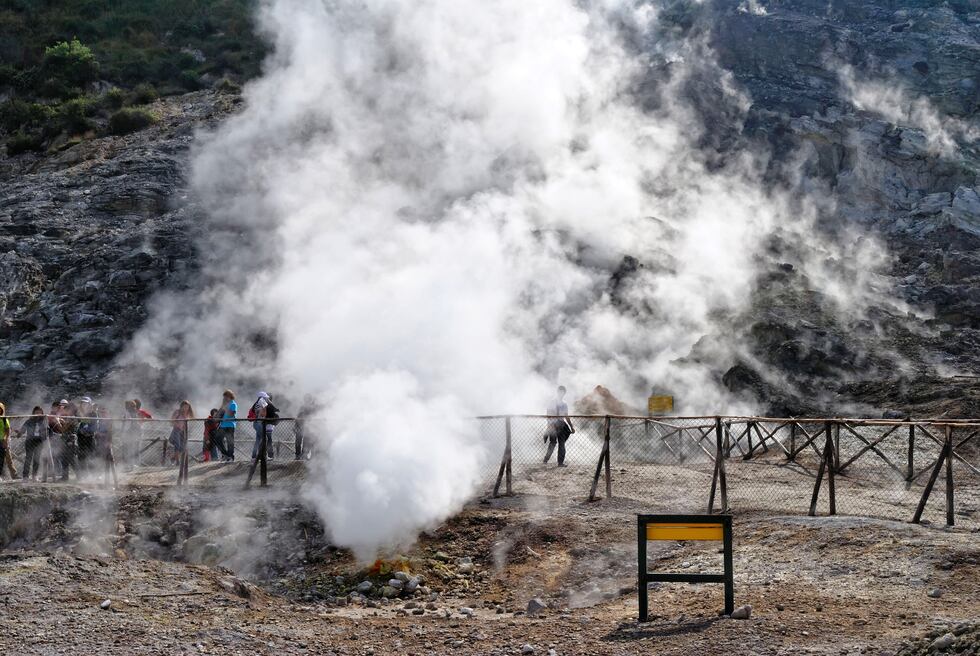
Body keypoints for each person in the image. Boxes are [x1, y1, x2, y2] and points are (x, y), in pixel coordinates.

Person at [543, 386, 575, 466]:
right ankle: (546, 459)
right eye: (560, 392)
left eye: (563, 392)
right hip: (553, 424)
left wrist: (571, 426)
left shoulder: (564, 404)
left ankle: (560, 462)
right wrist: (549, 425)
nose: (561, 393)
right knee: (553, 443)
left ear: (564, 393)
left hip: (561, 425)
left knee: (562, 443)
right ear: (557, 392)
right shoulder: (552, 402)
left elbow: (566, 416)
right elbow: (548, 414)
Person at [18, 406, 47, 481]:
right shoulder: (29, 421)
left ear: (42, 413)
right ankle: (25, 476)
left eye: (39, 412)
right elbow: (22, 430)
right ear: (33, 413)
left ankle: (34, 476)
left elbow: (47, 431)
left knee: (36, 459)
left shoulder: (44, 421)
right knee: (28, 458)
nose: (38, 413)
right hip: (30, 441)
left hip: (39, 441)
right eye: (36, 412)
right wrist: (19, 433)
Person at [248, 391, 278, 461]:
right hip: (259, 423)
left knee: (258, 440)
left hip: (256, 423)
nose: (266, 399)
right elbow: (264, 412)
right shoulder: (261, 401)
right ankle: (263, 456)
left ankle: (254, 456)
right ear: (262, 397)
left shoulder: (256, 403)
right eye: (265, 397)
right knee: (265, 439)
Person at [57, 399, 80, 481]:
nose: (65, 410)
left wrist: (59, 422)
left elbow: (63, 429)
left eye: (67, 409)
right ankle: (65, 476)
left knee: (71, 459)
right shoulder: (68, 417)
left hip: (71, 439)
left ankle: (79, 476)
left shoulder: (72, 418)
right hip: (65, 439)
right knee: (64, 459)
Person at [76, 396, 97, 478]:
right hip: (81, 438)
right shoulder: (79, 413)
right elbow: (78, 424)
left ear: (89, 404)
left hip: (89, 437)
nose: (84, 404)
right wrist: (80, 431)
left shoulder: (93, 413)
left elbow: (95, 426)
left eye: (86, 403)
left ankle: (94, 475)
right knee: (81, 456)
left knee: (91, 456)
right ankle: (84, 475)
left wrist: (88, 432)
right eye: (83, 403)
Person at [168, 401, 194, 466]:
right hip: (176, 430)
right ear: (181, 406)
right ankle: (177, 462)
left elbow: (191, 420)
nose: (186, 408)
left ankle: (173, 458)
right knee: (177, 445)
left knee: (183, 448)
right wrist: (177, 425)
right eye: (184, 406)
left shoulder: (188, 414)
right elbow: (172, 421)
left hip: (183, 432)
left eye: (187, 407)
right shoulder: (177, 412)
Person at [214, 390, 236, 462]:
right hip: (223, 425)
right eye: (224, 397)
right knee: (217, 439)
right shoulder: (224, 405)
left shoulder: (233, 404)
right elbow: (219, 414)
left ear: (230, 396)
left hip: (230, 425)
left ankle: (230, 456)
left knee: (230, 441)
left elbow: (231, 414)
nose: (225, 398)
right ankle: (226, 454)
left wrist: (225, 408)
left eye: (227, 397)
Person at [294, 395, 318, 460]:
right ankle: (298, 455)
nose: (306, 401)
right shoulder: (302, 407)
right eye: (306, 399)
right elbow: (297, 417)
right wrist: (295, 426)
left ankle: (304, 455)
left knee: (306, 442)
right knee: (298, 442)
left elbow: (314, 418)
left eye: (308, 399)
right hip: (300, 427)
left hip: (307, 428)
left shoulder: (312, 408)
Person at [0, 403, 17, 480]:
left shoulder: (4, 419)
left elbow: (7, 430)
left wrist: (6, 440)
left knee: (8, 458)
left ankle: (14, 475)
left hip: (3, 441)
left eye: (0, 409)